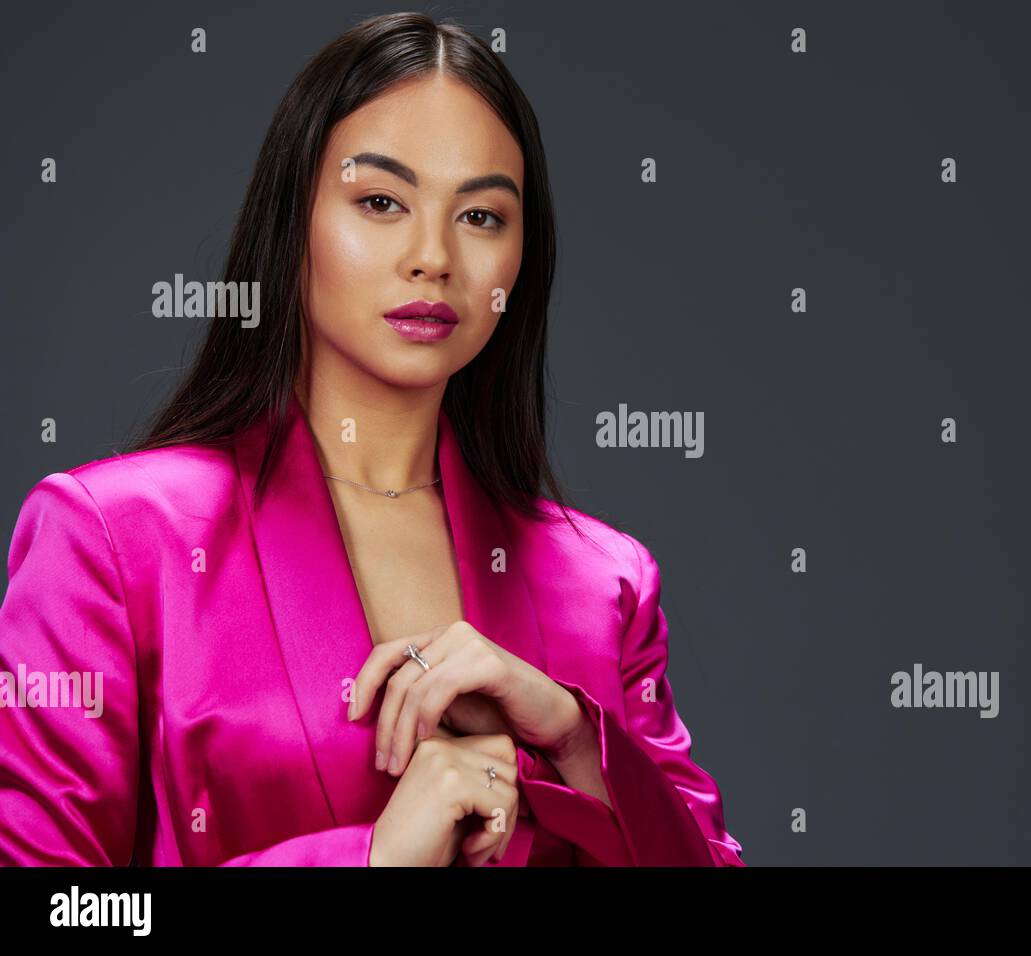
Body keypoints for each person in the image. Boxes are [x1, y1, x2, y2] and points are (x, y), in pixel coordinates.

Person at [0, 13, 743, 868]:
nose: (433, 257)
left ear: (521, 259)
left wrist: (576, 740)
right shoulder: (111, 540)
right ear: (295, 221)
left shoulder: (603, 583)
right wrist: (373, 860)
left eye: (482, 216)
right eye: (382, 201)